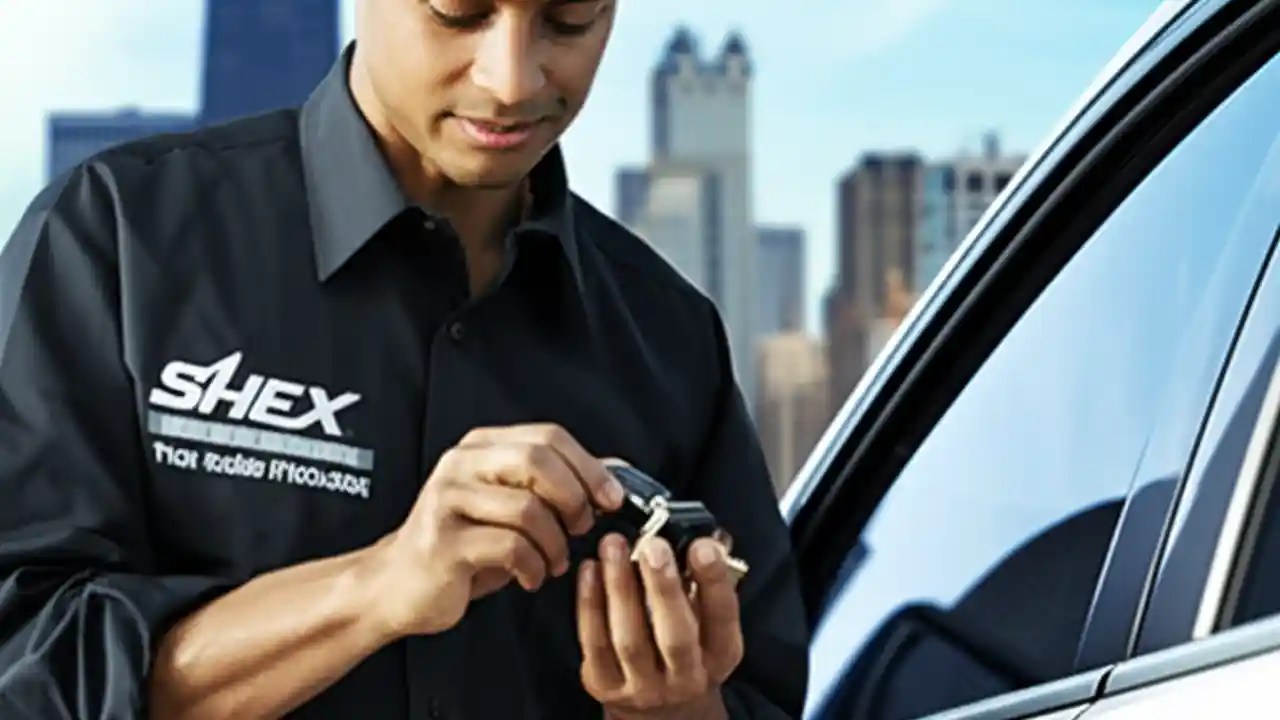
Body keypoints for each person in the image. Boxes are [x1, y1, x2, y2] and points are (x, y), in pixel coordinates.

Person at [0, 0, 809, 717]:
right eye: (458, 14)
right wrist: (375, 589)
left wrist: (671, 708)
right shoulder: (118, 240)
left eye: (569, 21)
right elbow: (24, 668)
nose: (512, 81)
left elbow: (758, 695)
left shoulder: (670, 337)